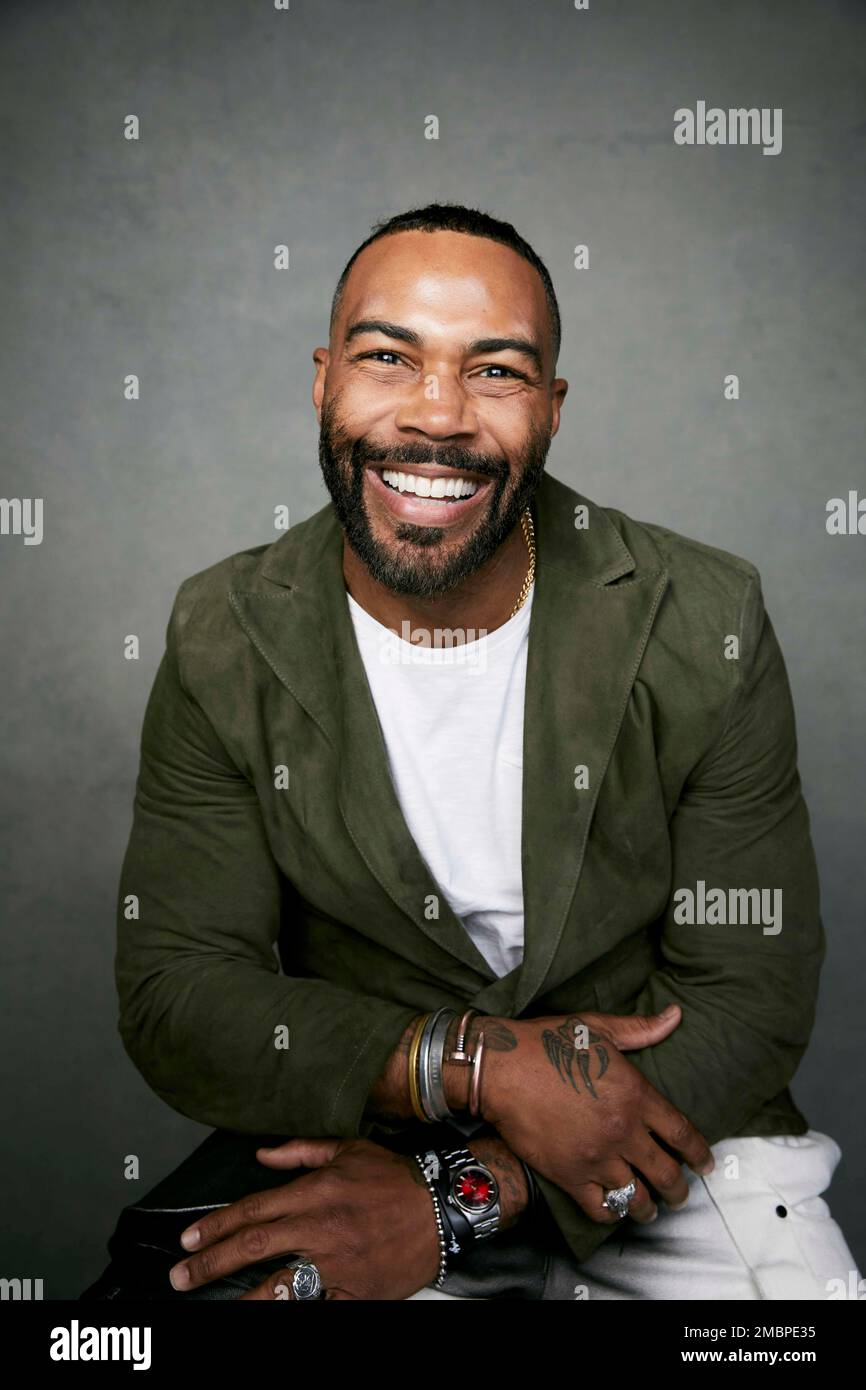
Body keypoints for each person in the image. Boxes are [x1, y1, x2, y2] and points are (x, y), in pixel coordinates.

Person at [82, 203, 861, 1302]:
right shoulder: (224, 628)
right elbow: (180, 992)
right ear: (321, 380)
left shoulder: (701, 614)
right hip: (370, 1141)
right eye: (387, 357)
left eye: (493, 371)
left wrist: (464, 1196)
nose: (436, 415)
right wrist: (478, 1066)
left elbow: (750, 992)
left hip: (672, 1138)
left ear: (549, 409)